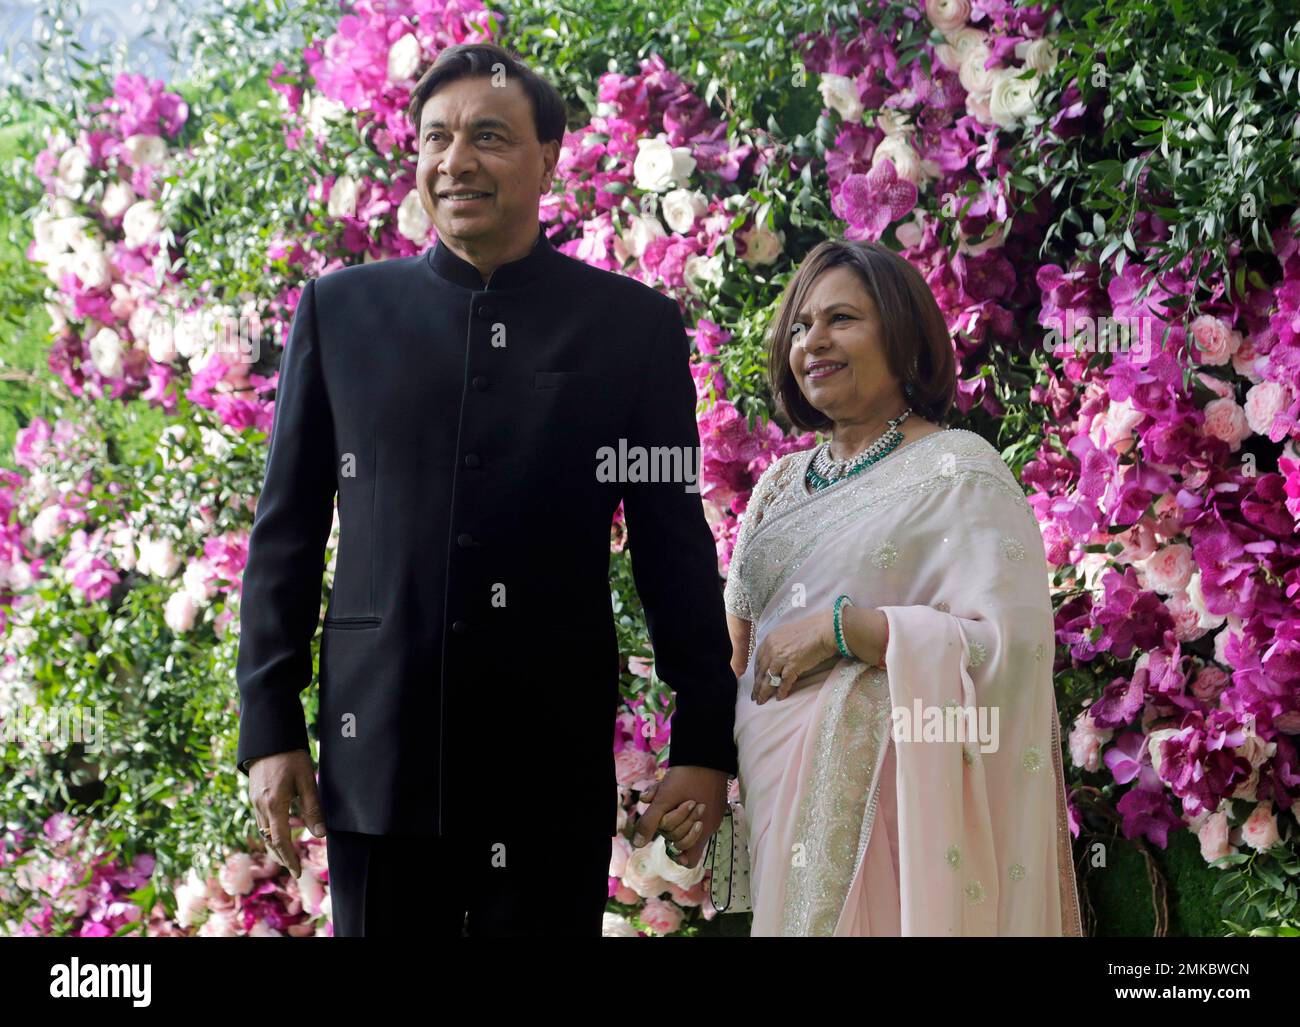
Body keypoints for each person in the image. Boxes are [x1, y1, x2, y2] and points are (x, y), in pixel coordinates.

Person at [234, 42, 735, 936]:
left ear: (549, 159)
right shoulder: (341, 314)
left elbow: (672, 544)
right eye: (435, 139)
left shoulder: (633, 331)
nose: (454, 161)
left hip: (547, 767)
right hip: (378, 761)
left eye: (489, 137)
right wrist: (269, 726)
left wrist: (703, 740)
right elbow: (288, 534)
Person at [658, 238, 1084, 935]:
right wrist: (698, 773)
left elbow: (1011, 654)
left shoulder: (958, 471)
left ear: (903, 333)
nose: (814, 341)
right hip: (779, 818)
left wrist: (848, 630)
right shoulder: (777, 489)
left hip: (899, 836)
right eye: (800, 326)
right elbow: (734, 660)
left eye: (841, 319)